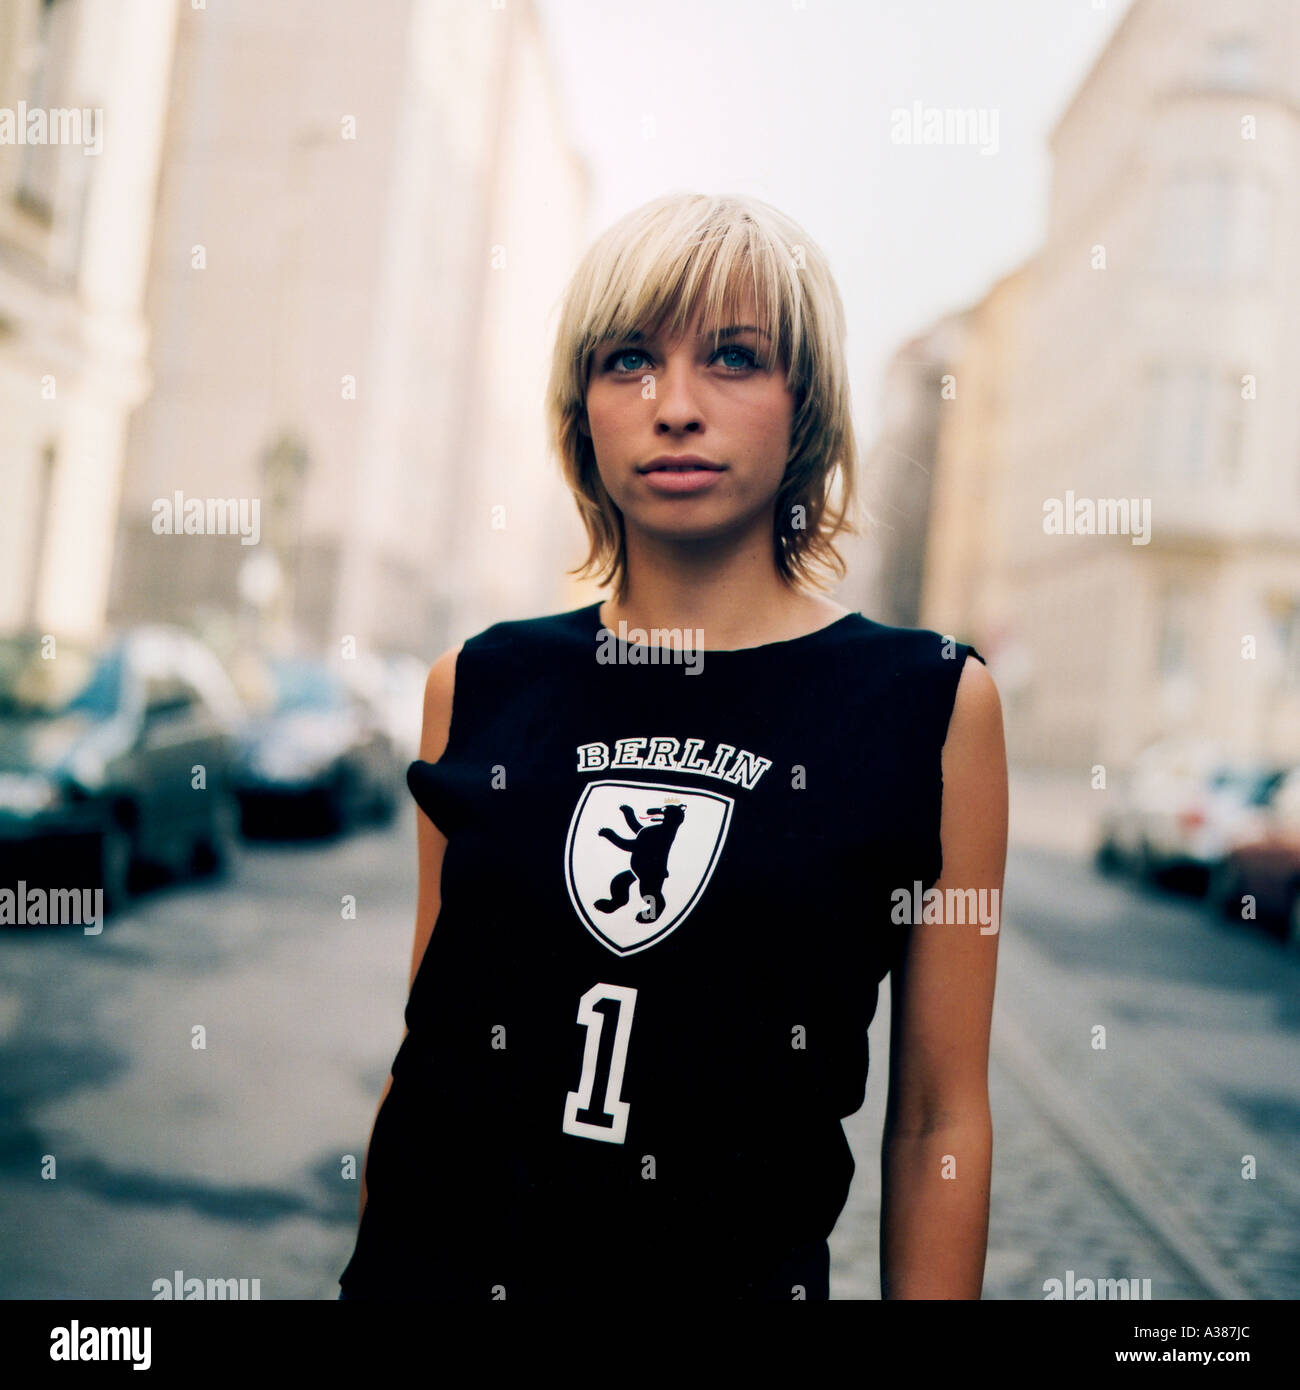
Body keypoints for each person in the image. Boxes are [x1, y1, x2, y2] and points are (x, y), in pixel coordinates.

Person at [338, 191, 1007, 1302]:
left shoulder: (927, 704)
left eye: (734, 358)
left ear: (805, 407)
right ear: (581, 408)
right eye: (629, 360)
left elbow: (938, 1117)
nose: (676, 406)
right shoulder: (480, 683)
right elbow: (432, 1055)